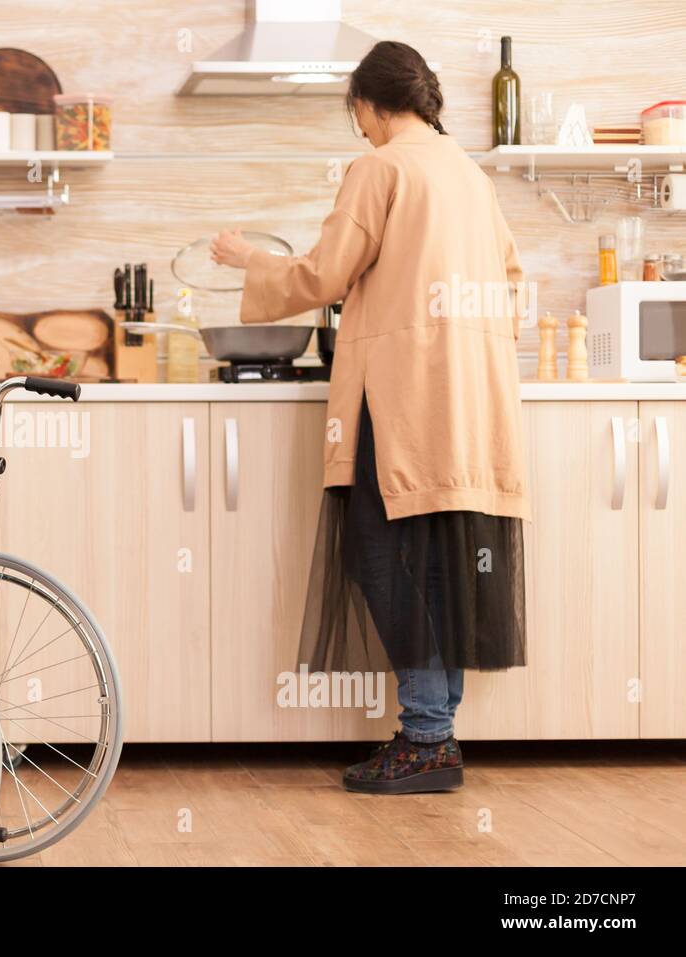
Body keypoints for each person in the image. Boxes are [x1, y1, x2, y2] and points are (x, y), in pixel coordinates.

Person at [212, 41, 529, 794]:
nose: (357, 128)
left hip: (400, 396)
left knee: (382, 555)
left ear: (368, 104)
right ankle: (433, 730)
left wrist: (248, 257)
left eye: (354, 113)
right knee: (440, 560)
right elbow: (512, 281)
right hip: (468, 396)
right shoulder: (469, 175)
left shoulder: (380, 169)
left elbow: (323, 273)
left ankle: (426, 735)